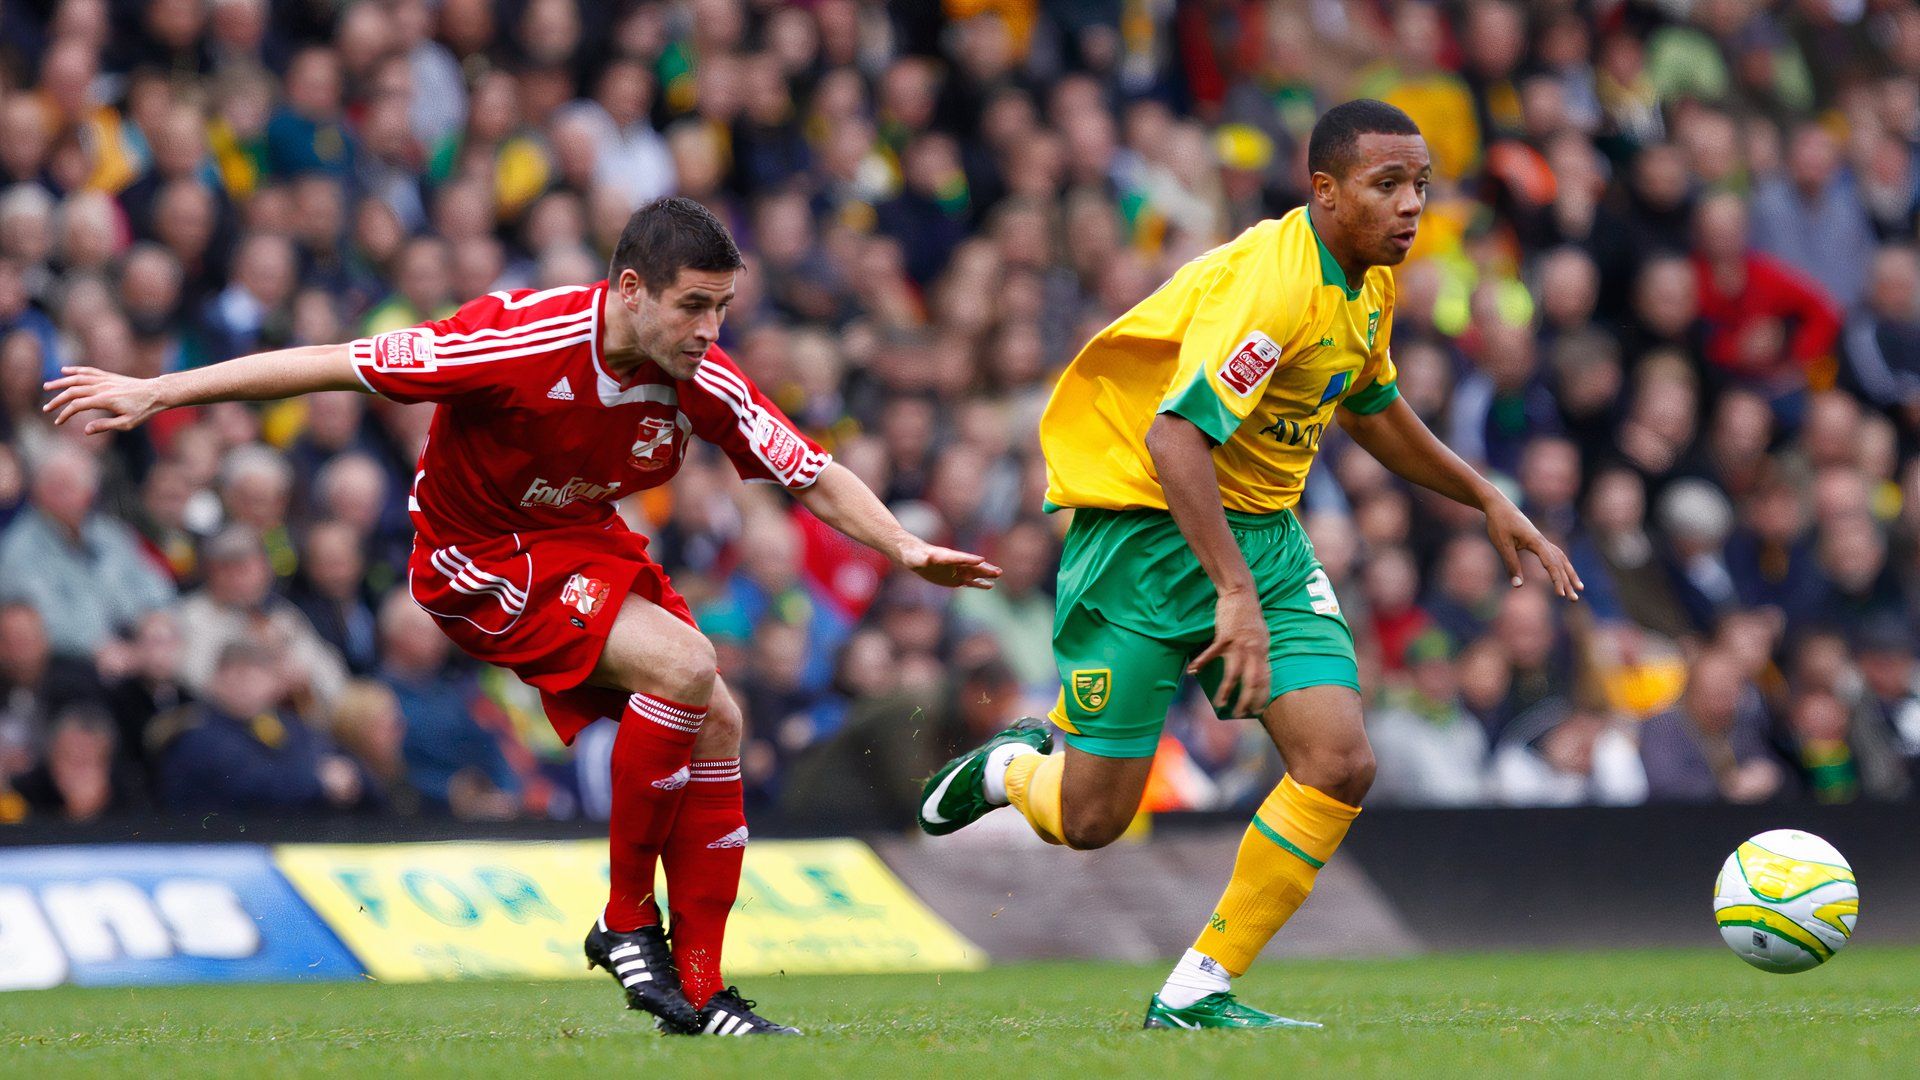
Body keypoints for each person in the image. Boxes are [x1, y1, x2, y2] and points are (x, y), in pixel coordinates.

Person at [44, 196, 997, 1036]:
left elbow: (809, 469)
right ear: (630, 288)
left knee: (720, 720)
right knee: (685, 664)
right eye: (693, 305)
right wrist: (160, 389)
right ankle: (628, 922)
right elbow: (332, 364)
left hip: (576, 540)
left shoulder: (700, 377)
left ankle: (703, 995)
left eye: (722, 308)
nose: (711, 330)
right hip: (474, 556)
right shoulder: (514, 340)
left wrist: (903, 549)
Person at [915, 101, 1581, 1029]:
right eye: (1388, 185)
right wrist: (1234, 592)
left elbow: (1371, 405)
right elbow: (1176, 437)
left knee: (1341, 762)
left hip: (1262, 534)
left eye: (1420, 185)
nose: (1412, 207)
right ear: (1325, 190)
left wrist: (1486, 497)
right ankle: (1008, 773)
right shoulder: (1271, 292)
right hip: (1145, 537)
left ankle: (1197, 988)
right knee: (1093, 820)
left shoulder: (1371, 278)